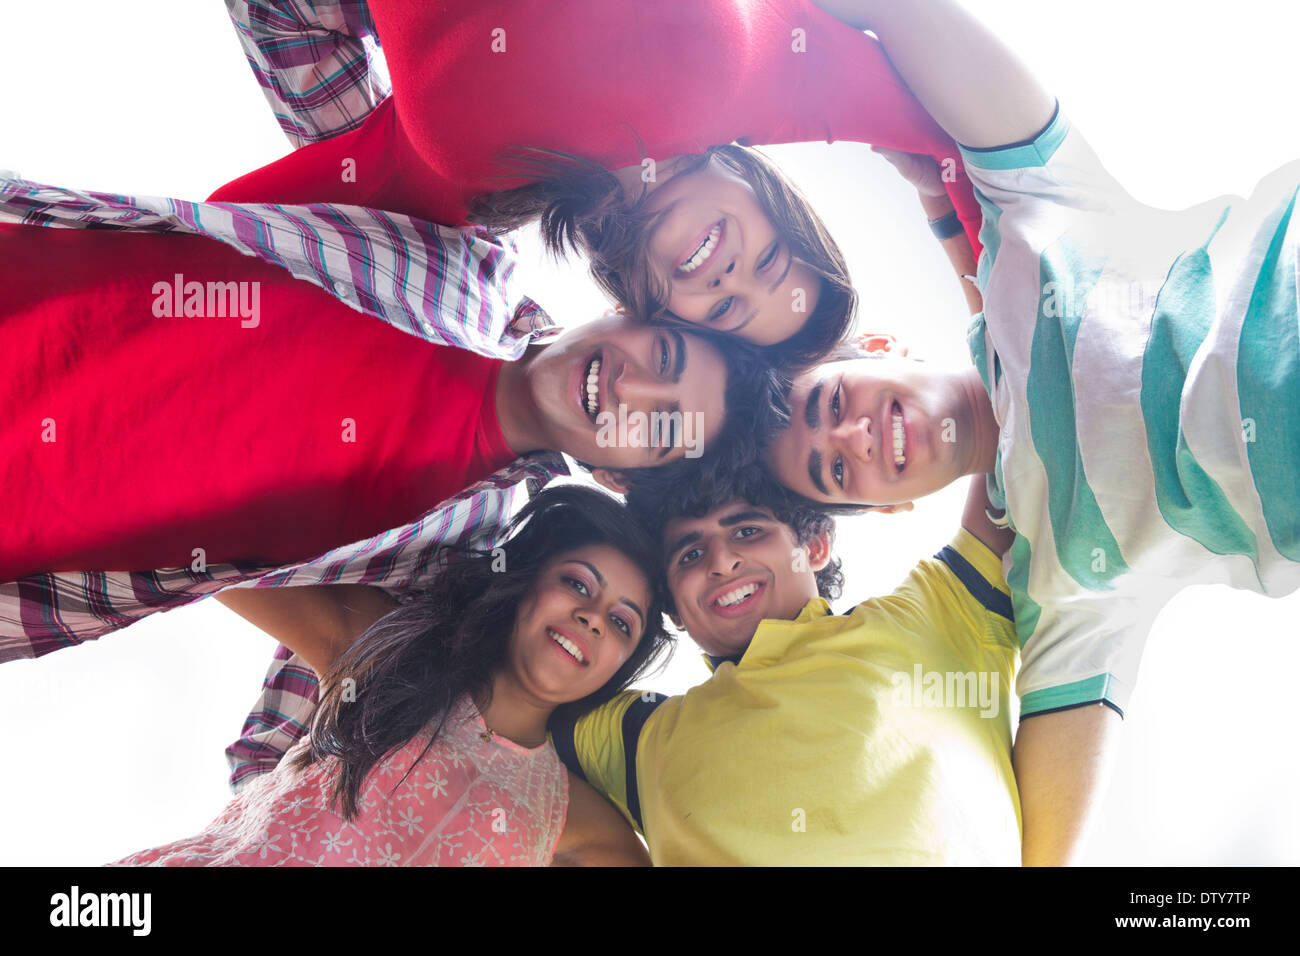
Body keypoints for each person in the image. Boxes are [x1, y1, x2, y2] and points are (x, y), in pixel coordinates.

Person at [764, 0, 1300, 864]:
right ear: (891, 509)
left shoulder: (1028, 220)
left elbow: (902, 17)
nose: (858, 439)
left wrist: (933, 197)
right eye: (835, 472)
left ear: (881, 349)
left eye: (834, 404)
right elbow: (1045, 851)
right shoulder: (1053, 583)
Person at [209, 0, 988, 368]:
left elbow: (238, 239)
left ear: (659, 316)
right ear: (771, 202)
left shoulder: (480, 192)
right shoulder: (758, 71)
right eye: (770, 265)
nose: (729, 276)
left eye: (724, 308)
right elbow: (971, 167)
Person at [114, 485, 672, 866]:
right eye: (578, 584)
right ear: (523, 581)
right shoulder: (390, 651)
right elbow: (203, 547)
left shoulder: (587, 828)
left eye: (623, 622)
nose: (593, 618)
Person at [547, 462, 1021, 864]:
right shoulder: (636, 737)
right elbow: (498, 709)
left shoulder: (932, 615)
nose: (722, 560)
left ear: (814, 546)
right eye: (690, 553)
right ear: (673, 610)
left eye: (748, 531)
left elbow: (1007, 431)